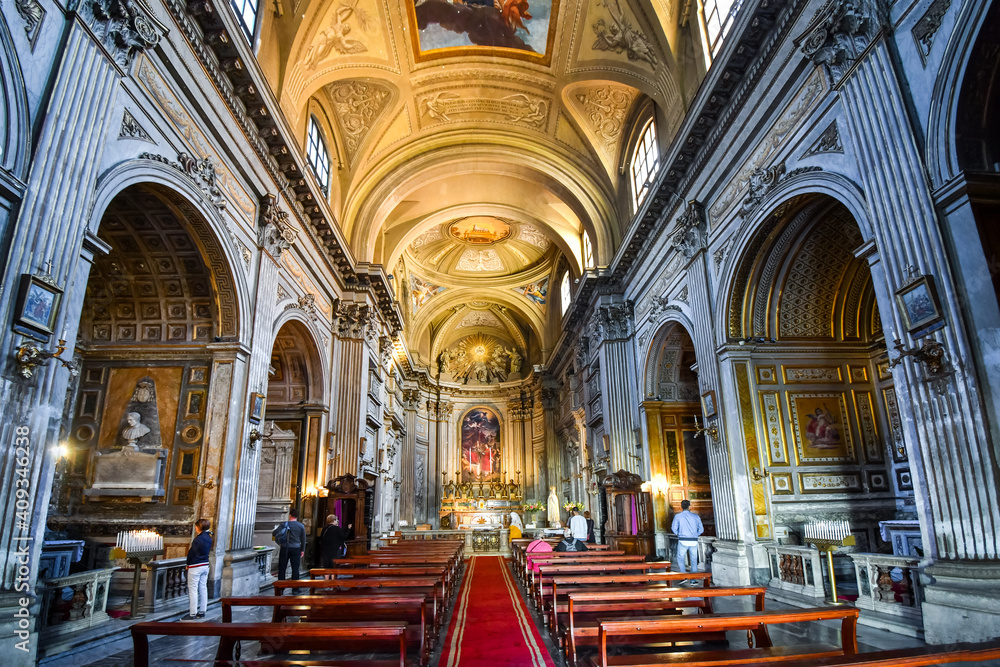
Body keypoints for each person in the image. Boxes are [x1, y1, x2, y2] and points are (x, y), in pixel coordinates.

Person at [180, 518, 212, 621]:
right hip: (205, 565)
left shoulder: (198, 539)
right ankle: (202, 611)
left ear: (199, 527)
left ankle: (192, 613)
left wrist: (188, 564)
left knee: (193, 589)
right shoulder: (209, 538)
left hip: (195, 566)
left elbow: (191, 553)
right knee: (203, 587)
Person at [671, 499, 704, 586]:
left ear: (681, 507)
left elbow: (673, 528)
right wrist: (695, 534)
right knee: (694, 560)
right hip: (693, 541)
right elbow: (701, 529)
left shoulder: (678, 516)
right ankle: (693, 581)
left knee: (680, 558)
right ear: (690, 506)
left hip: (682, 540)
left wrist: (679, 534)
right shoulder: (696, 516)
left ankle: (684, 576)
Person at [273, 508, 307, 582]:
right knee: (295, 568)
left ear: (290, 515)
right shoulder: (301, 526)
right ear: (297, 516)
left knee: (282, 568)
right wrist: (302, 550)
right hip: (296, 548)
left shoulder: (284, 524)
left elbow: (274, 533)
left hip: (285, 547)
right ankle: (295, 588)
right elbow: (303, 539)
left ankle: (281, 587)